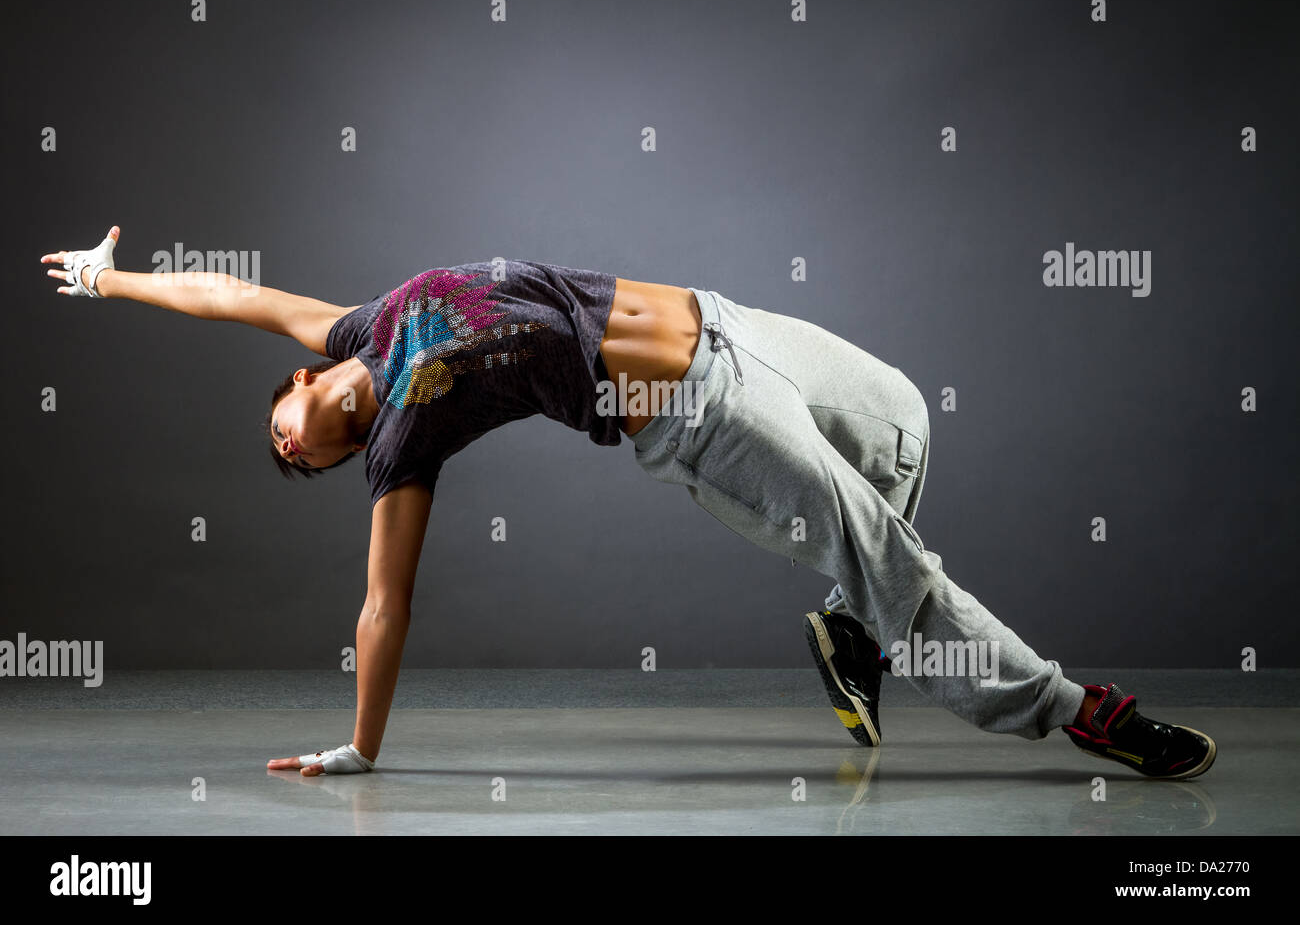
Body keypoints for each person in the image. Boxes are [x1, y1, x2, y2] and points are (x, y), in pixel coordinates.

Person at [42, 227, 1217, 780]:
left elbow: (217, 293)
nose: (294, 451)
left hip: (728, 320)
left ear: (298, 386)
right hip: (688, 410)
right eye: (293, 465)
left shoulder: (345, 328)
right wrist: (360, 745)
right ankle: (1073, 709)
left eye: (280, 434)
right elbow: (382, 607)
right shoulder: (401, 433)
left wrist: (108, 277)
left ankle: (854, 632)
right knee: (882, 547)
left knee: (904, 418)